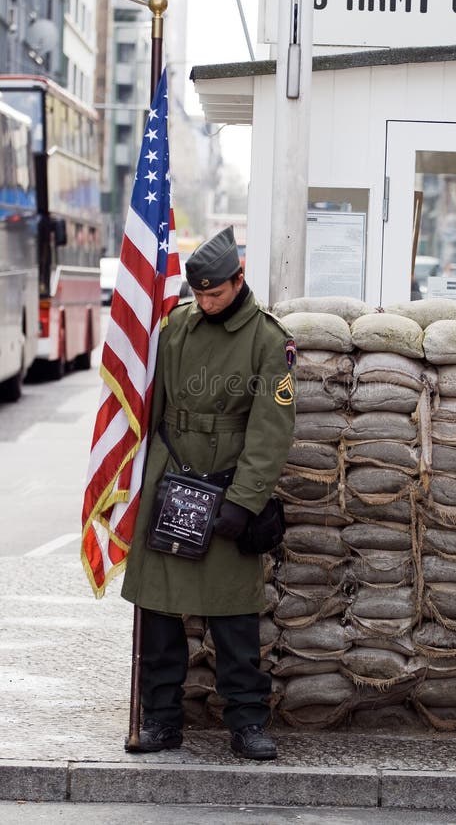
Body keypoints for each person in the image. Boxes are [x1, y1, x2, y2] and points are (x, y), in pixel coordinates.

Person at [121, 225, 296, 759]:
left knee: (233, 617)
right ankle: (161, 720)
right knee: (158, 611)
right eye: (198, 292)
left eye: (214, 292)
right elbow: (153, 407)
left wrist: (243, 502)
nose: (205, 301)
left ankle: (247, 723)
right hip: (169, 483)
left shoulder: (269, 340)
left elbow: (271, 430)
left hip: (227, 489)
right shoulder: (176, 328)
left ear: (239, 279)